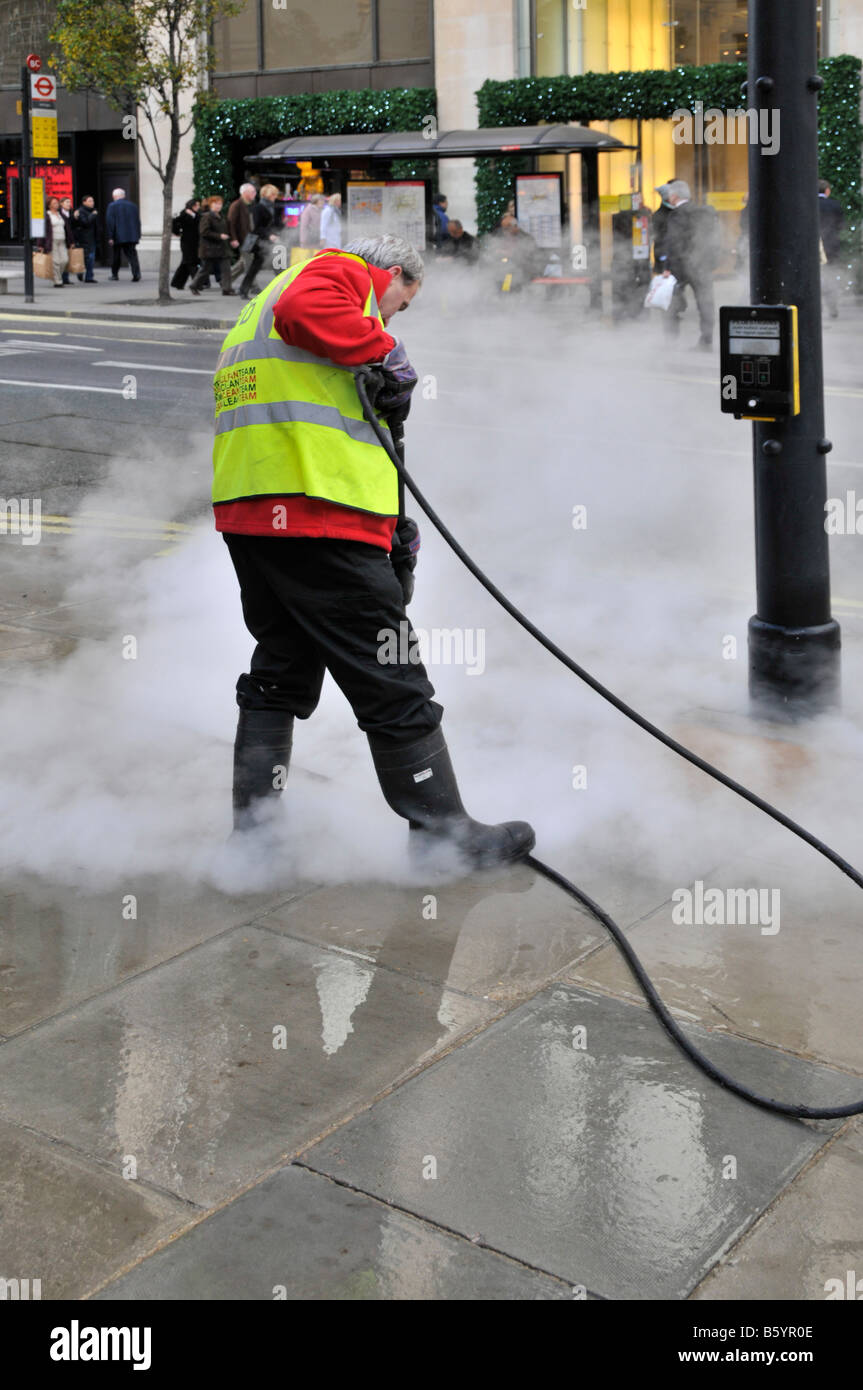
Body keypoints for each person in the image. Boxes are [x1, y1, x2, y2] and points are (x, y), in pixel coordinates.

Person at [211, 233, 535, 869]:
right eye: (399, 302)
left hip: (255, 512)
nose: (389, 316)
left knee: (281, 668)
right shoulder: (335, 273)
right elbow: (310, 313)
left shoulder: (258, 303)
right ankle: (444, 838)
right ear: (388, 273)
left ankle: (257, 838)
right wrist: (385, 351)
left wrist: (389, 526)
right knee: (393, 673)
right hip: (315, 516)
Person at [656, 179, 718, 349]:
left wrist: (667, 268)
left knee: (670, 303)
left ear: (674, 196)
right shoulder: (703, 212)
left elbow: (673, 243)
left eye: (669, 195)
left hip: (681, 267)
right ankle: (706, 341)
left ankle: (671, 341)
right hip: (702, 265)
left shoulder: (676, 214)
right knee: (705, 304)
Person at [189, 194, 237, 296]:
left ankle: (227, 289)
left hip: (222, 248)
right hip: (209, 248)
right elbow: (204, 232)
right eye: (215, 204)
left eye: (220, 204)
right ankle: (194, 285)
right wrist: (219, 236)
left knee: (226, 269)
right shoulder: (206, 217)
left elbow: (228, 229)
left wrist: (232, 239)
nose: (218, 206)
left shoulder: (221, 216)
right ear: (211, 205)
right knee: (205, 269)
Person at [818, 178, 845, 320]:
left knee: (814, 278)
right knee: (831, 277)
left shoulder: (808, 204)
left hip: (812, 248)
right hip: (831, 246)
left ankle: (816, 308)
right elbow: (841, 225)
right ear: (827, 191)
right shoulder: (834, 205)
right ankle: (832, 308)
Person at [106, 188, 142, 281]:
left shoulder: (112, 206)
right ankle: (136, 274)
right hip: (131, 236)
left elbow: (110, 223)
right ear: (124, 195)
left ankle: (115, 275)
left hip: (118, 236)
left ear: (114, 196)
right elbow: (137, 222)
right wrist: (137, 235)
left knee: (116, 256)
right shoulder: (133, 206)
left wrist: (110, 236)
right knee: (132, 256)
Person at [170, 198, 202, 289]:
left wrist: (193, 215)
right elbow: (175, 222)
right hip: (187, 242)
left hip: (195, 241)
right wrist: (177, 233)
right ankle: (197, 283)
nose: (198, 207)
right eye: (196, 205)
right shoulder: (183, 214)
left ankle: (177, 283)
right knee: (191, 262)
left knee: (186, 263)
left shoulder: (196, 215)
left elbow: (199, 221)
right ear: (192, 206)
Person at [41, 197, 68, 287]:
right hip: (52, 241)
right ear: (49, 205)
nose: (57, 205)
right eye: (54, 203)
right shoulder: (47, 215)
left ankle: (56, 276)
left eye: (57, 203)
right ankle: (58, 281)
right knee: (56, 261)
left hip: (62, 240)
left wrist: (71, 241)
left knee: (64, 260)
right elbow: (43, 230)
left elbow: (68, 228)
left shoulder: (60, 215)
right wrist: (41, 244)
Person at [72, 195, 99, 284]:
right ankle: (81, 272)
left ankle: (89, 277)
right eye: (90, 201)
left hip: (93, 238)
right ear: (84, 202)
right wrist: (93, 215)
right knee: (86, 257)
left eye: (93, 201)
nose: (92, 203)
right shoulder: (80, 211)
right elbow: (85, 222)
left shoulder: (93, 211)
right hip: (84, 238)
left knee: (91, 258)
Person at [59, 196, 76, 283]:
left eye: (70, 202)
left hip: (70, 239)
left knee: (67, 259)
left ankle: (65, 278)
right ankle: (60, 277)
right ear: (61, 204)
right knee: (63, 259)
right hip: (62, 239)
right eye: (67, 202)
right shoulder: (59, 214)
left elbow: (73, 227)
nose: (69, 204)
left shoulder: (71, 213)